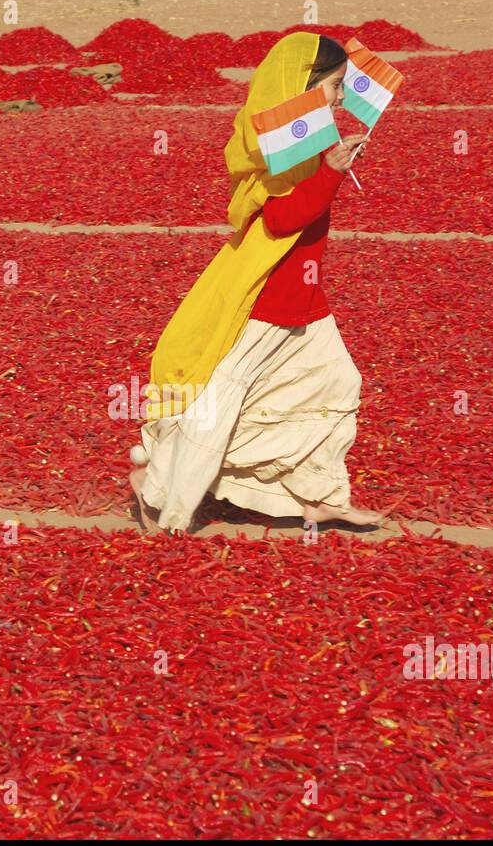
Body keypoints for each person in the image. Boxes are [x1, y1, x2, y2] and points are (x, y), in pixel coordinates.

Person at [129, 31, 382, 534]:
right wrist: (329, 172)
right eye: (334, 85)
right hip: (267, 296)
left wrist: (332, 164)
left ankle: (319, 495)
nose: (341, 97)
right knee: (215, 409)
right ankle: (157, 492)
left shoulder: (317, 134)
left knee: (334, 382)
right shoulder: (281, 139)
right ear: (304, 84)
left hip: (305, 292)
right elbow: (283, 219)